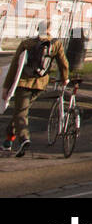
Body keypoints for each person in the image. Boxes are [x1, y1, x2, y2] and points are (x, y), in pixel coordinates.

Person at [4, 22, 70, 157]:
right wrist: (65, 78)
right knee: (21, 110)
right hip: (40, 84)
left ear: (37, 29)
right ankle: (8, 140)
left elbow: (14, 66)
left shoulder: (27, 44)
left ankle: (24, 139)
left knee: (21, 113)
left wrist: (6, 86)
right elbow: (63, 63)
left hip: (24, 83)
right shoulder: (56, 44)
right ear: (50, 30)